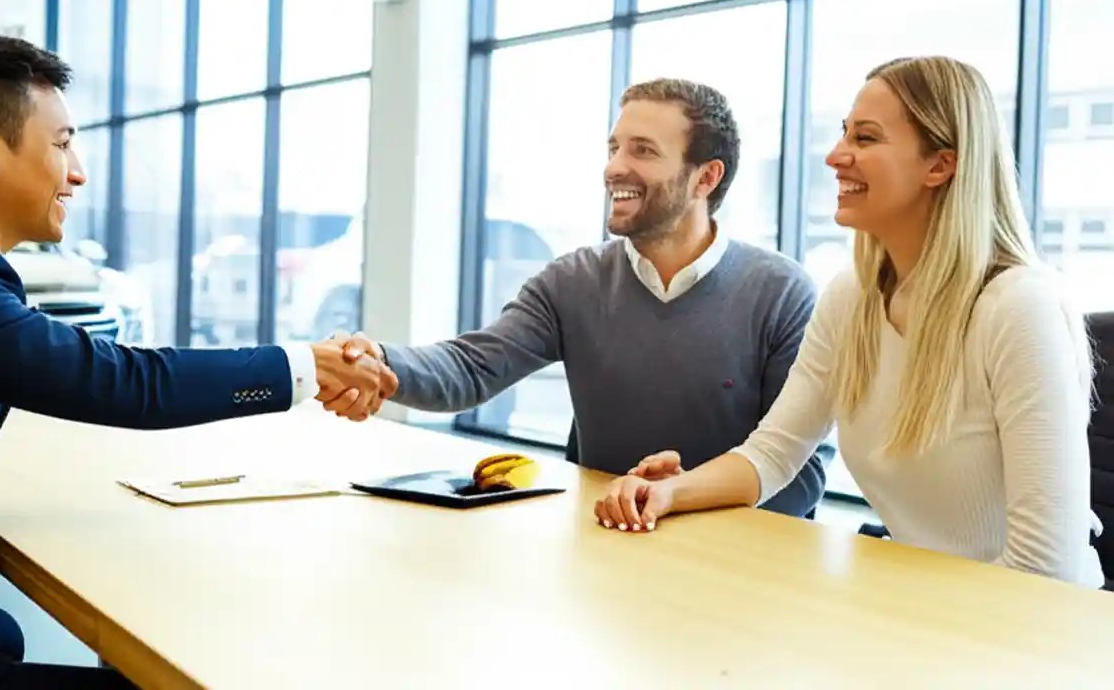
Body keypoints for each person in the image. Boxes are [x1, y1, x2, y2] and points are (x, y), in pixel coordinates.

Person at [0, 34, 396, 689]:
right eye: (62, 142)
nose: (77, 171)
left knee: (10, 635)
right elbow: (126, 383)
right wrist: (308, 366)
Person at [597, 56, 1106, 587]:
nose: (837, 156)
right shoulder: (853, 297)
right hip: (931, 612)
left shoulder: (1020, 308)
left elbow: (1045, 568)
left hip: (1031, 637)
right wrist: (669, 493)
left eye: (866, 138)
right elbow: (773, 452)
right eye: (844, 134)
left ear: (940, 165)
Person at [334, 78, 828, 520]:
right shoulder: (573, 281)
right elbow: (472, 368)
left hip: (745, 569)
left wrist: (679, 496)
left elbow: (800, 471)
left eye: (643, 151)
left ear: (706, 177)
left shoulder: (783, 294)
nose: (615, 168)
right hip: (608, 545)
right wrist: (376, 361)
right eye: (614, 148)